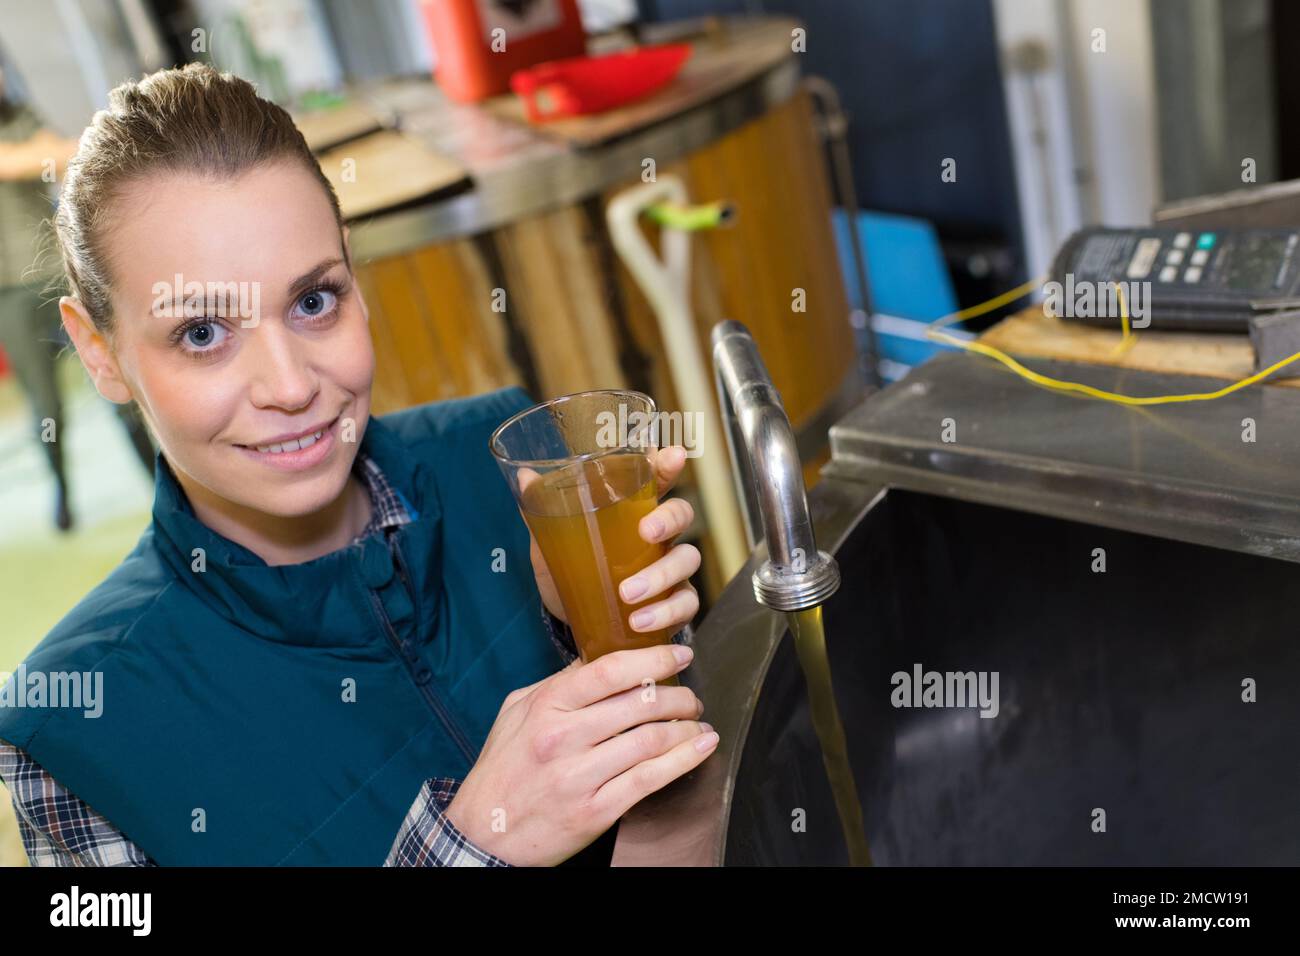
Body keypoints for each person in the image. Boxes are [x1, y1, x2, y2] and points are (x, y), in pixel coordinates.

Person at [0, 62, 715, 866]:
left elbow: (699, 815)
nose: (291, 385)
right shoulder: (66, 735)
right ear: (100, 353)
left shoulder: (507, 462)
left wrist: (598, 635)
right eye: (203, 333)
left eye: (313, 301)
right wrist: (467, 849)